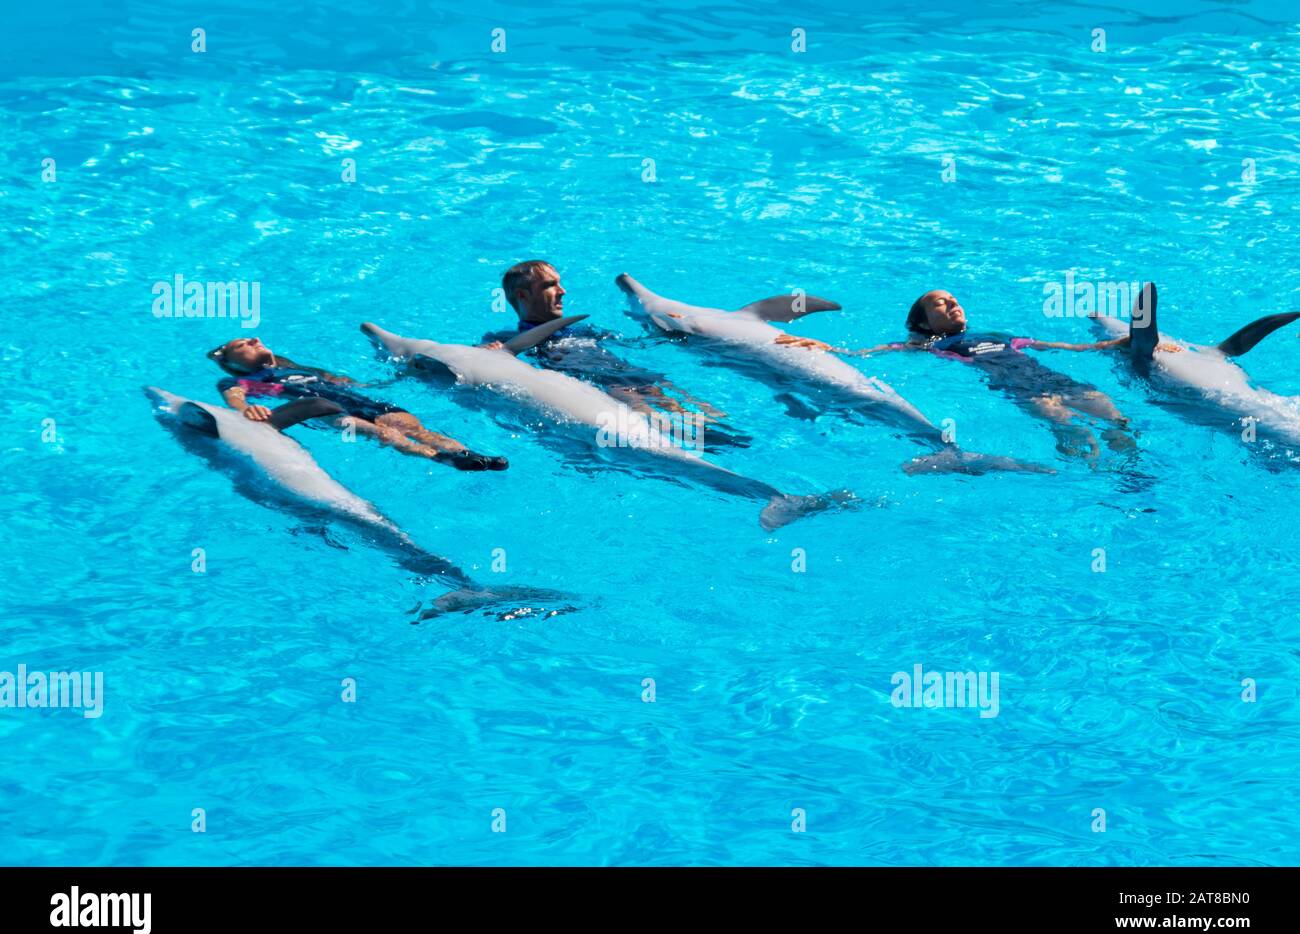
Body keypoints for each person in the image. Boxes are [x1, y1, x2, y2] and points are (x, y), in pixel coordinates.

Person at [774, 289, 1178, 458]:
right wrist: (830, 349)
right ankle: (1095, 476)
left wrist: (1119, 344)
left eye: (953, 301)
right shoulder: (933, 346)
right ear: (924, 323)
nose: (951, 305)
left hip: (1056, 380)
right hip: (1022, 391)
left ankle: (1130, 467)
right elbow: (875, 353)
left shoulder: (1000, 335)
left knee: (1116, 419)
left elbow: (1067, 349)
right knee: (1072, 431)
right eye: (939, 305)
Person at [482, 260, 748, 447]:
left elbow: (629, 343)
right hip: (602, 385)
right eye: (550, 285)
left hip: (632, 374)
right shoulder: (508, 339)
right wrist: (492, 352)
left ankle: (735, 440)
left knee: (697, 409)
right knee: (656, 421)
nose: (562, 291)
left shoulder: (582, 328)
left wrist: (666, 335)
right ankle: (694, 454)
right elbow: (481, 359)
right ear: (522, 295)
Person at [209, 337, 508, 470]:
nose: (254, 340)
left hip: (364, 401)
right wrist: (246, 409)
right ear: (232, 364)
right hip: (324, 409)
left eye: (253, 338)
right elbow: (235, 397)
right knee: (381, 434)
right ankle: (442, 460)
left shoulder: (304, 369)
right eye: (242, 345)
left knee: (417, 428)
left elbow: (356, 385)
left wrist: (406, 373)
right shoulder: (245, 381)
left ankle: (468, 454)